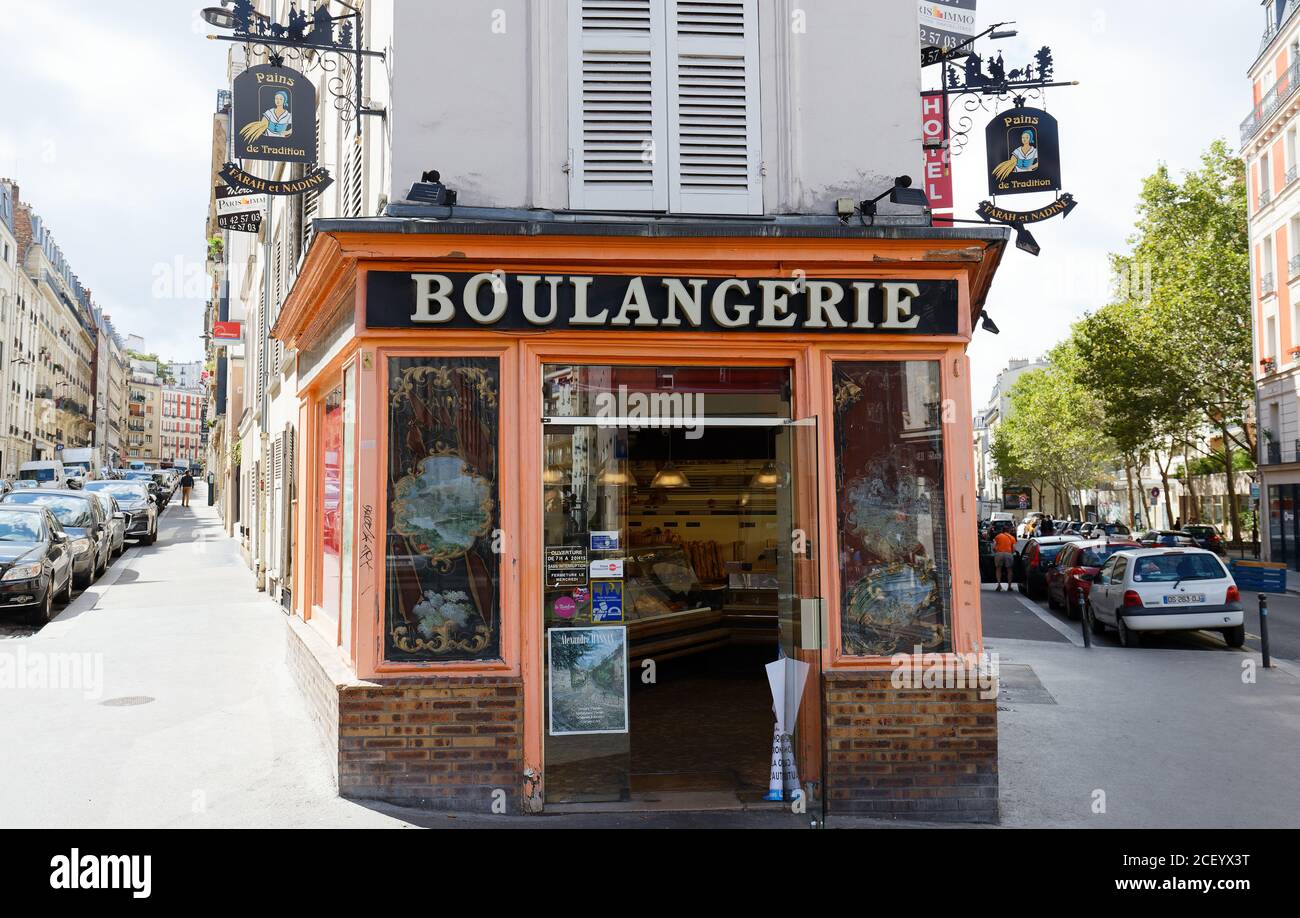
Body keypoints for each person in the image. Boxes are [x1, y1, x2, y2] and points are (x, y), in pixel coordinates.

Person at [992, 528, 1017, 592]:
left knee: (998, 569)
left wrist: (996, 552)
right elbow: (1014, 549)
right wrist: (1011, 553)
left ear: (1002, 531)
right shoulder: (1012, 537)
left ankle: (999, 585)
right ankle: (1009, 586)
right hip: (1008, 554)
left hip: (999, 554)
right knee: (1009, 570)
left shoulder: (998, 536)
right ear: (1009, 531)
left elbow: (994, 547)